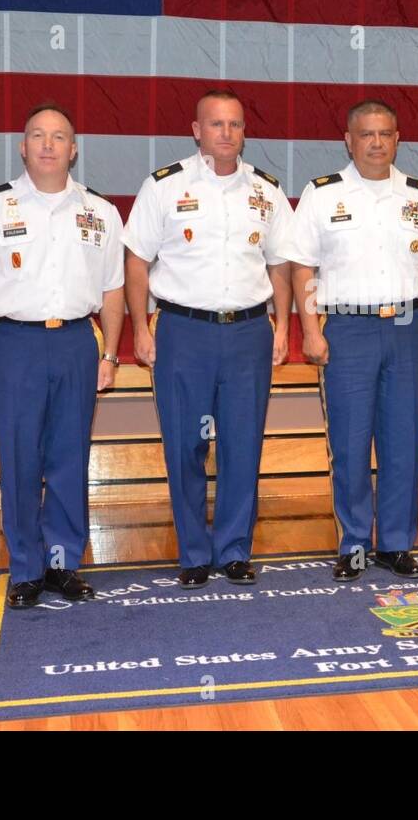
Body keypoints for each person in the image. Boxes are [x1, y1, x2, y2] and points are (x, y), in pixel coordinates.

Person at [285, 100, 418, 582]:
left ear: (398, 138)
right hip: (347, 329)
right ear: (349, 139)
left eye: (385, 133)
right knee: (349, 441)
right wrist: (312, 328)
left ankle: (398, 544)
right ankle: (356, 543)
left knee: (403, 440)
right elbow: (302, 265)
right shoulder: (322, 195)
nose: (377, 143)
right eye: (366, 134)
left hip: (407, 327)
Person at [0, 102, 125, 609]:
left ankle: (62, 563)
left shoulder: (101, 211)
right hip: (17, 344)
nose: (48, 144)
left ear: (74, 150)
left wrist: (111, 355)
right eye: (38, 135)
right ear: (22, 147)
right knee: (20, 459)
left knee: (70, 458)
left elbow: (113, 291)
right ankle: (26, 568)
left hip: (78, 342)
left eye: (58, 136)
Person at [123, 90, 292, 590]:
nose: (227, 133)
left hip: (247, 334)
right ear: (196, 131)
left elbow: (280, 262)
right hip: (183, 331)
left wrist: (283, 325)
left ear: (244, 131)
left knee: (242, 445)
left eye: (235, 124)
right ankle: (195, 552)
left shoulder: (266, 191)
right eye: (216, 124)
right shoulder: (163, 187)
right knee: (186, 445)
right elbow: (136, 259)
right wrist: (138, 325)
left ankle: (235, 549)